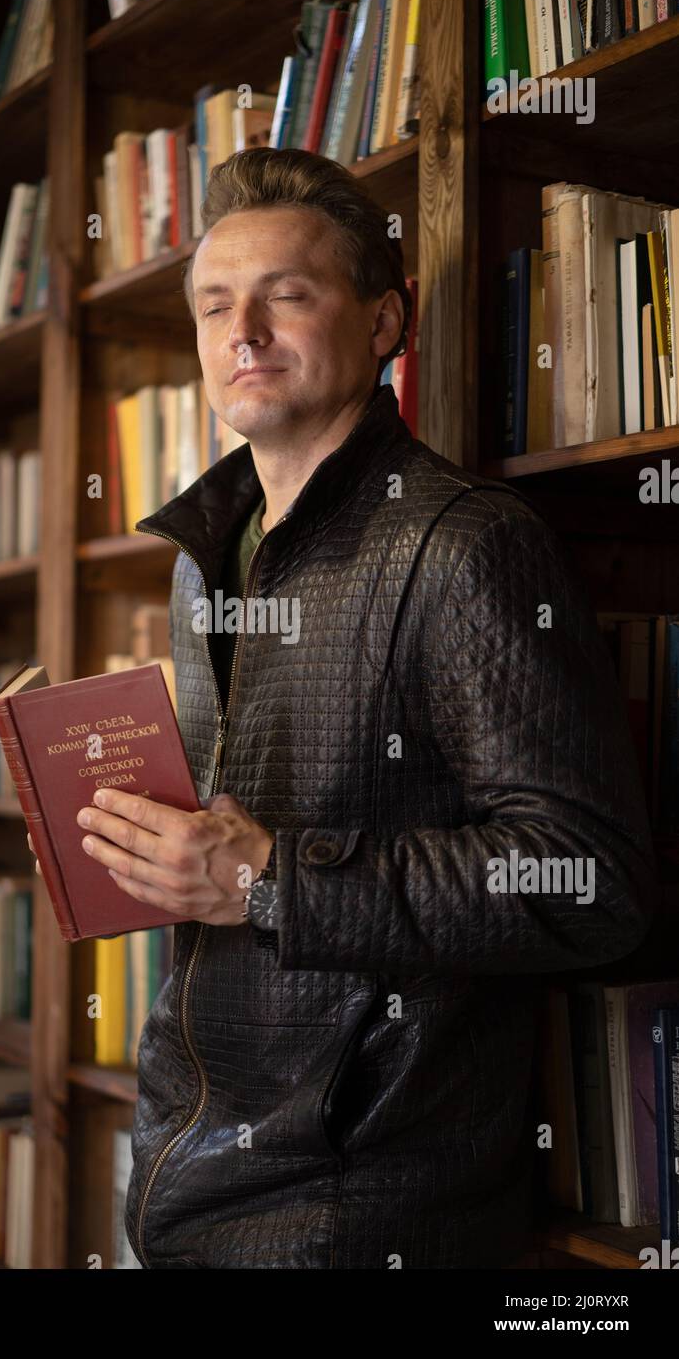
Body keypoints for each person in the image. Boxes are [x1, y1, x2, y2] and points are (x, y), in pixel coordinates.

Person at [62, 148, 656, 1268]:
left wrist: (271, 878)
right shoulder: (199, 556)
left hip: (356, 1214)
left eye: (285, 294)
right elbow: (219, 856)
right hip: (173, 1175)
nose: (241, 331)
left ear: (385, 323)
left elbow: (590, 882)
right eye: (212, 304)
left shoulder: (467, 543)